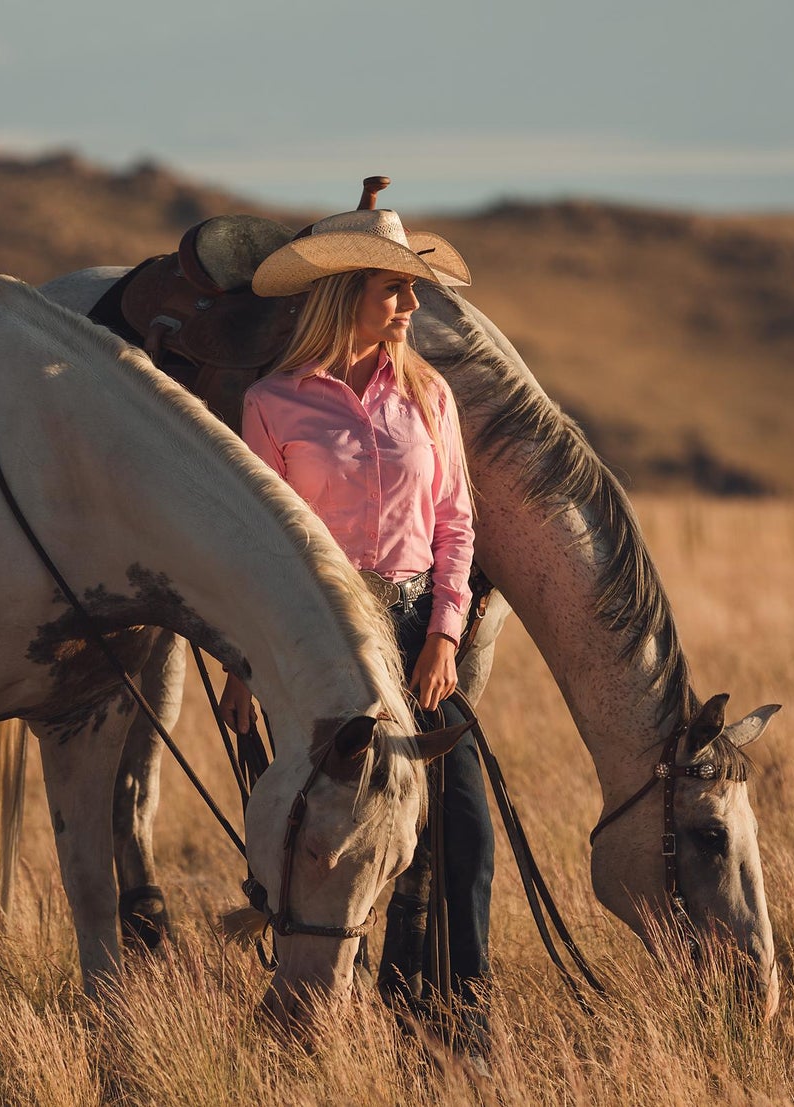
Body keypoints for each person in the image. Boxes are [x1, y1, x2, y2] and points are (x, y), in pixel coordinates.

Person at [217, 205, 495, 1054]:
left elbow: (455, 523)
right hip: (320, 641)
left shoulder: (428, 393)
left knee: (464, 830)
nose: (411, 304)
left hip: (415, 631)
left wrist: (445, 634)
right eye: (395, 288)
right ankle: (322, 1014)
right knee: (331, 835)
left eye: (413, 288)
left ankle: (460, 1018)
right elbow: (255, 547)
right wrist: (240, 665)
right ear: (346, 294)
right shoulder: (271, 405)